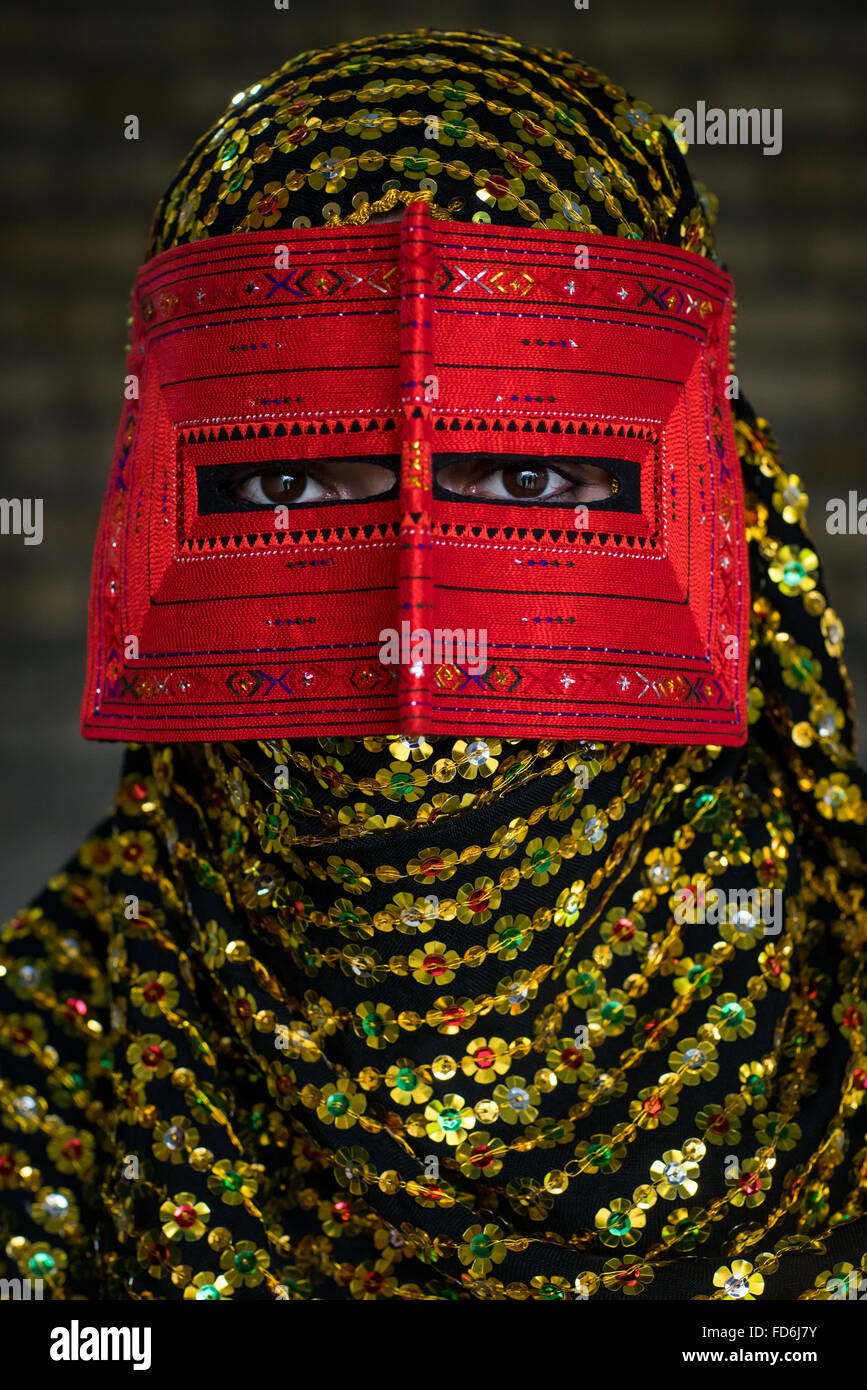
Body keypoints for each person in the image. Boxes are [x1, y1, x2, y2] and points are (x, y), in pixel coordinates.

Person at [2, 28, 866, 1303]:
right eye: (287, 483)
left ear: (717, 508)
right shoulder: (40, 1082)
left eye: (527, 482)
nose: (411, 656)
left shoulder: (838, 1029)